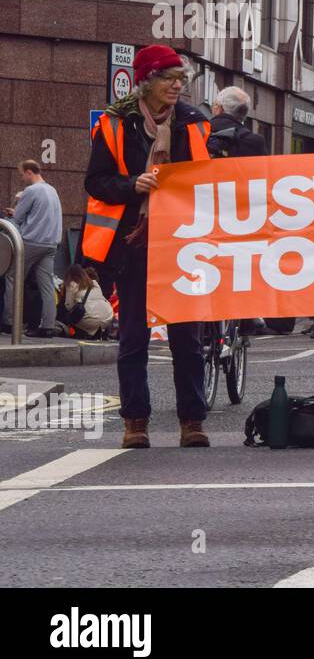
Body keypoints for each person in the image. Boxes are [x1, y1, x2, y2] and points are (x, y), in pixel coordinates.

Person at [84, 44, 213, 449]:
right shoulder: (114, 124)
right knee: (134, 337)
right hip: (134, 243)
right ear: (146, 82)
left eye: (181, 79)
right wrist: (132, 185)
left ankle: (192, 423)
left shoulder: (194, 122)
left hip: (182, 244)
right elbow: (95, 182)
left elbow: (209, 179)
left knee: (187, 339)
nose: (177, 86)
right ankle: (134, 423)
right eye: (168, 78)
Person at [207, 86, 268, 344]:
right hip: (242, 217)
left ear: (218, 108)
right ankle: (249, 314)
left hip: (204, 214)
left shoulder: (201, 134)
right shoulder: (255, 142)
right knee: (245, 263)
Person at [2, 160, 63, 337]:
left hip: (31, 241)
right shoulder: (52, 190)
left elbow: (19, 217)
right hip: (51, 244)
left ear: (30, 172)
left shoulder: (31, 190)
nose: (22, 178)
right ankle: (48, 326)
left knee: (13, 277)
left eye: (22, 174)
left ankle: (9, 322)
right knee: (47, 285)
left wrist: (13, 212)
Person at [207, 85, 268, 158]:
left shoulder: (200, 132)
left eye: (214, 104)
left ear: (219, 108)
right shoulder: (255, 142)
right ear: (244, 114)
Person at [61, 265, 114, 338]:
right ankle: (98, 330)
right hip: (108, 316)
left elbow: (68, 305)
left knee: (71, 313)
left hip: (92, 319)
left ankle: (83, 332)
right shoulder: (94, 283)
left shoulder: (72, 284)